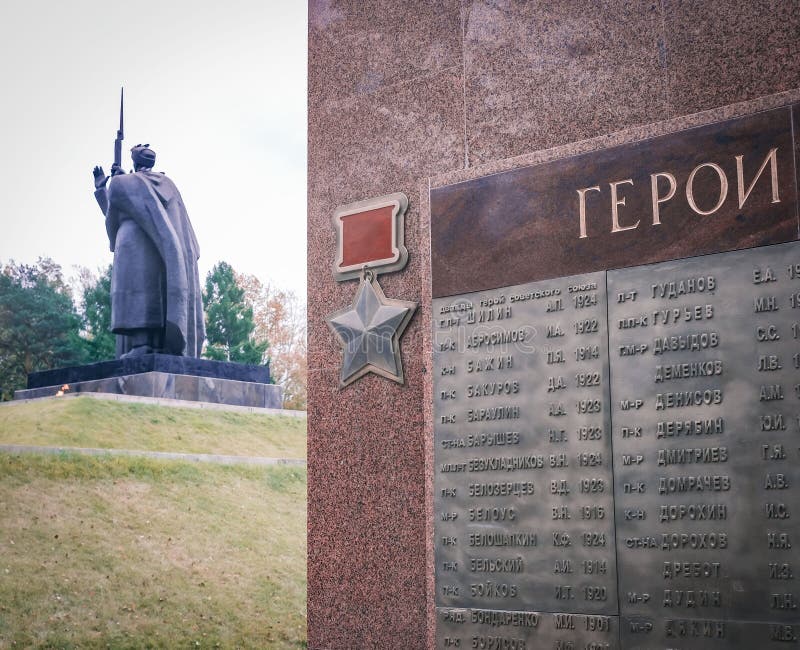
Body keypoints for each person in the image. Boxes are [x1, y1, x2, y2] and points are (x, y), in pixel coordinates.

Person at [92, 145, 205, 358]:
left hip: (132, 244)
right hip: (162, 250)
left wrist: (103, 190)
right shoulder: (168, 185)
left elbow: (112, 220)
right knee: (155, 294)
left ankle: (142, 345)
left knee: (139, 292)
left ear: (133, 161)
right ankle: (155, 344)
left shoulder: (120, 183)